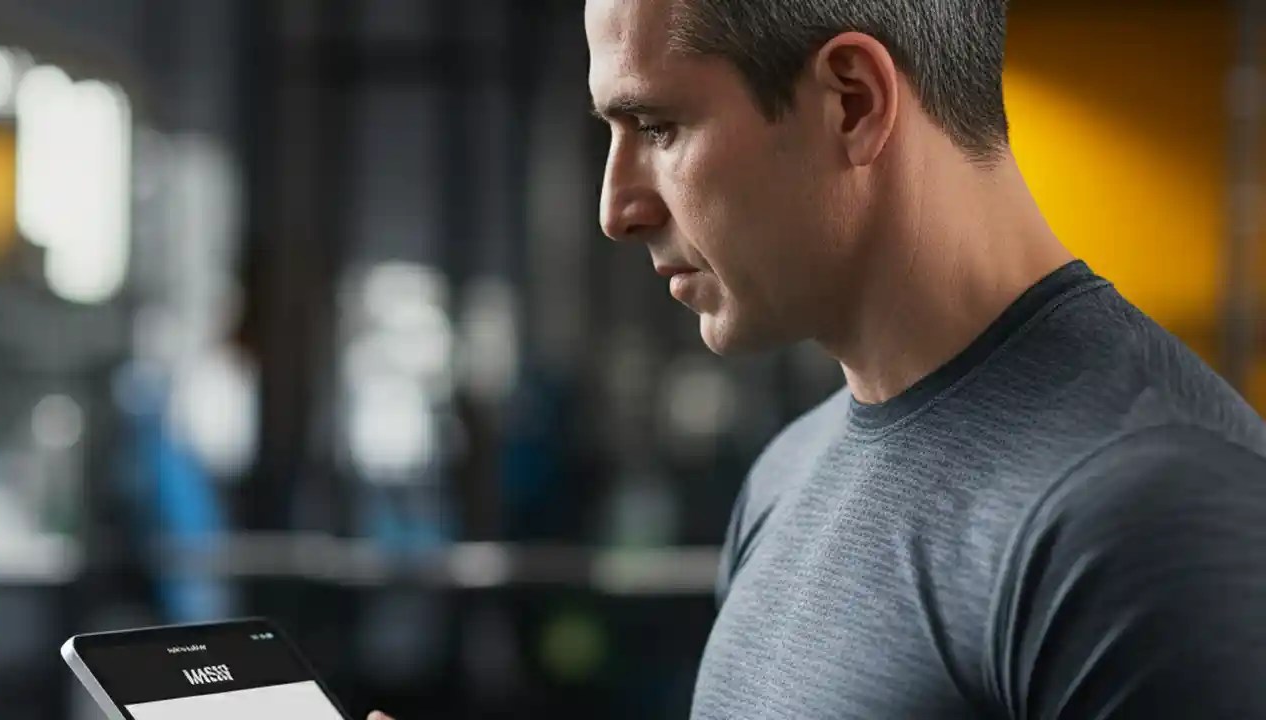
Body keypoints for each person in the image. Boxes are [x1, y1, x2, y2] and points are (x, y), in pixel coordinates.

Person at [374, 0, 1266, 718]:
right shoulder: (787, 475)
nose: (618, 208)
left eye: (657, 125)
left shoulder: (1151, 518)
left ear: (852, 102)